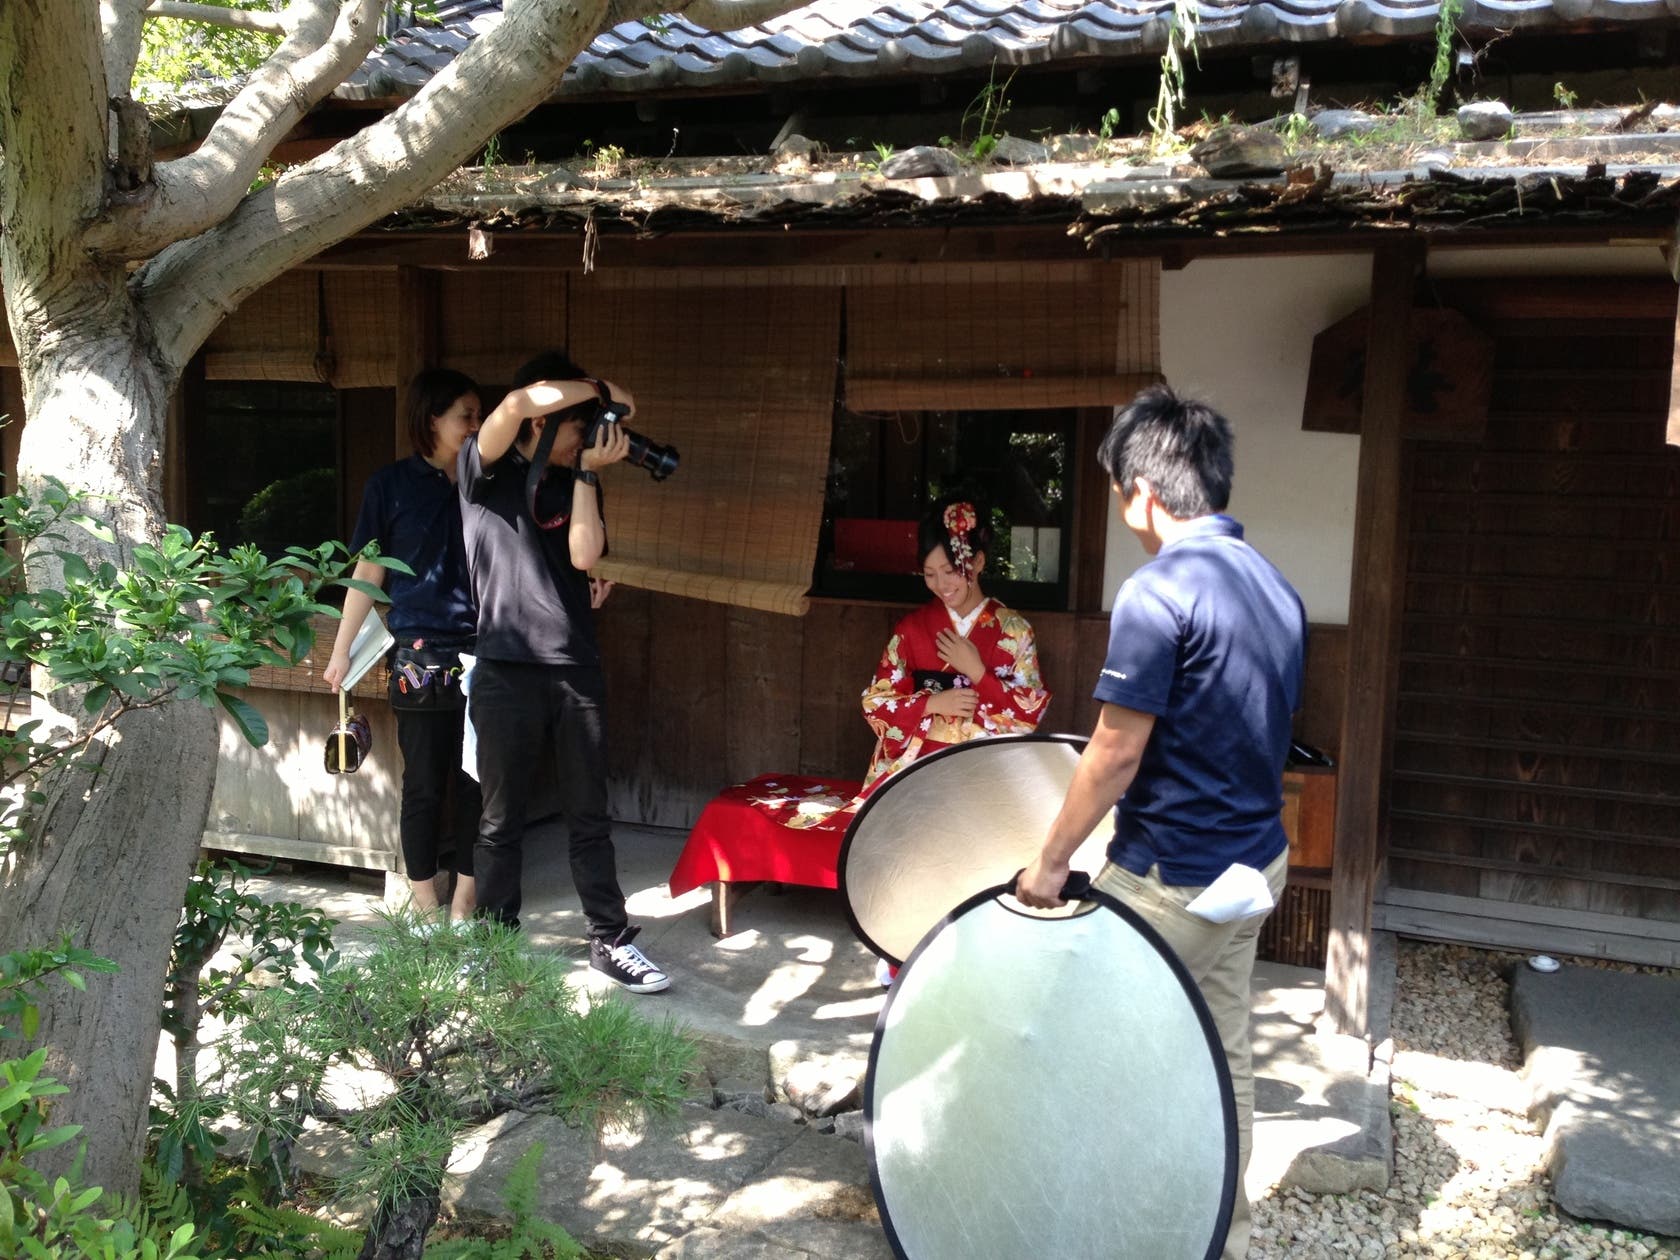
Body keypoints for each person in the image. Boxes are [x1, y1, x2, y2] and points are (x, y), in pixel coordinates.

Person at [1017, 386, 1305, 1260]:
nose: (1125, 517)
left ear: (1143, 493)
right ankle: (1223, 1236)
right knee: (1223, 1056)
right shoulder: (1274, 586)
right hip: (1254, 864)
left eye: (1117, 497)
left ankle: (1095, 1234)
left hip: (1171, 877)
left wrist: (1049, 863)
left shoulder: (1159, 590)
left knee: (1076, 1054)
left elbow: (1113, 753)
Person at [665, 497, 1051, 956]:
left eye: (950, 571)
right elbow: (876, 701)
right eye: (929, 575)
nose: (942, 585)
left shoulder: (1013, 630)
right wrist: (935, 702)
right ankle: (898, 934)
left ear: (978, 561)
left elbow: (1029, 715)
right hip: (916, 761)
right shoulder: (912, 628)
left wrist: (981, 674)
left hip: (982, 769)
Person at [457, 350, 668, 994]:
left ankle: (609, 940)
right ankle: (493, 944)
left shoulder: (576, 478)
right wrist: (599, 388)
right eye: (580, 425)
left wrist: (588, 472)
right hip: (503, 669)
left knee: (589, 816)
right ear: (545, 422)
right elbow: (516, 405)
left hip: (574, 665)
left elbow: (583, 553)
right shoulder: (483, 470)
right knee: (499, 820)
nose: (588, 438)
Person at [324, 368, 484, 923]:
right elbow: (368, 571)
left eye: (478, 414)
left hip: (484, 653)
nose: (476, 425)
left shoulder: (487, 484)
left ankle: (463, 906)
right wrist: (342, 652)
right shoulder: (389, 485)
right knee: (423, 784)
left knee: (476, 786)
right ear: (431, 419)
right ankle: (424, 906)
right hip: (418, 658)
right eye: (466, 414)